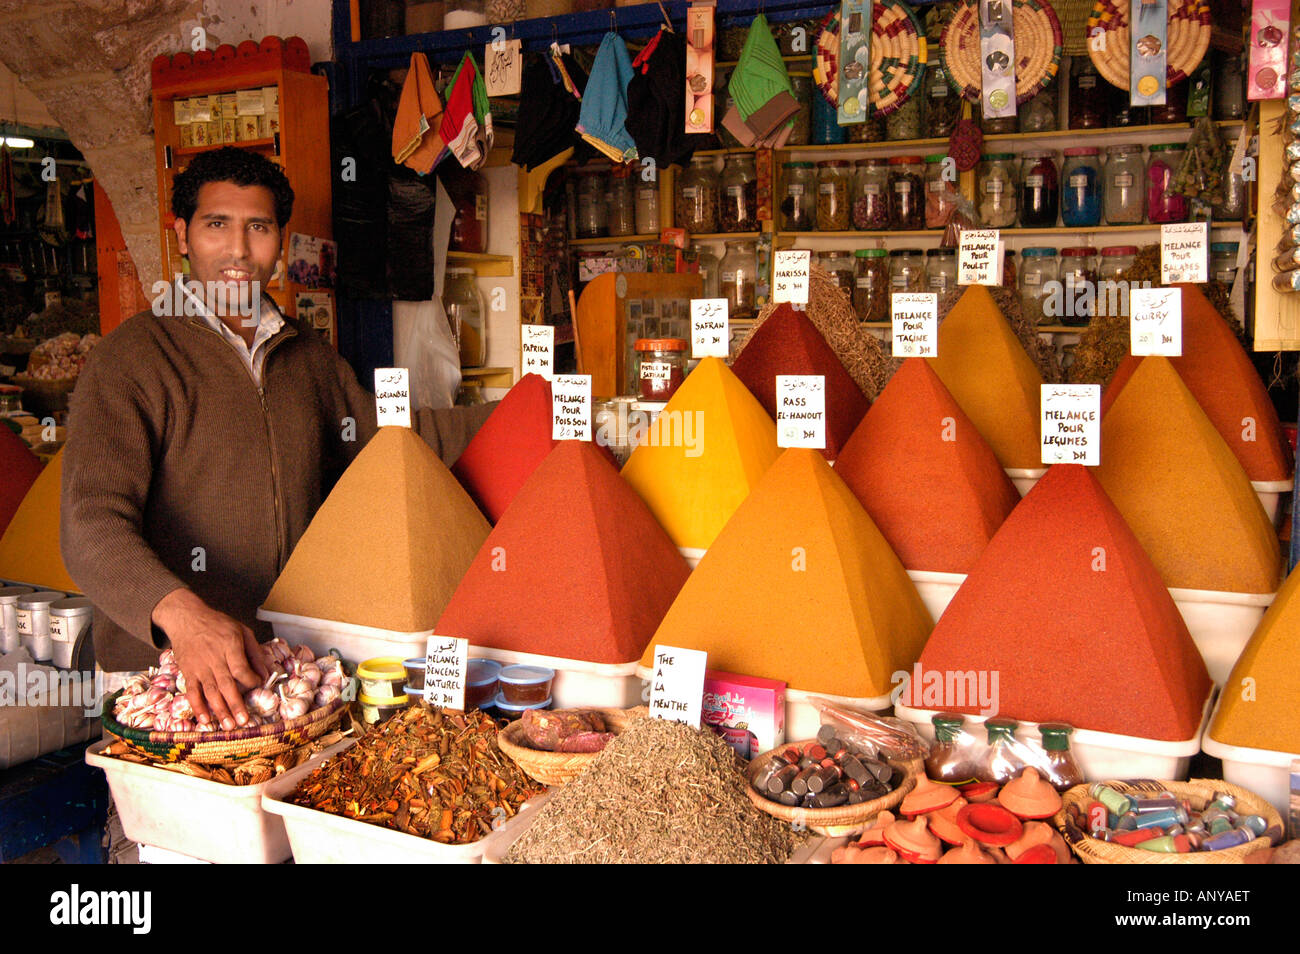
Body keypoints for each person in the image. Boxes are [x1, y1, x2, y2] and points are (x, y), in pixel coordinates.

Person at [61, 147, 492, 733]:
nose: (238, 250)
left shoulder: (308, 358)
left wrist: (527, 413)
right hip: (166, 669)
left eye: (257, 228)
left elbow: (397, 442)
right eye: (217, 225)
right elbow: (91, 522)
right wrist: (183, 618)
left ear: (280, 242)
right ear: (182, 235)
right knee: (170, 827)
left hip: (283, 668)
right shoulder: (132, 359)